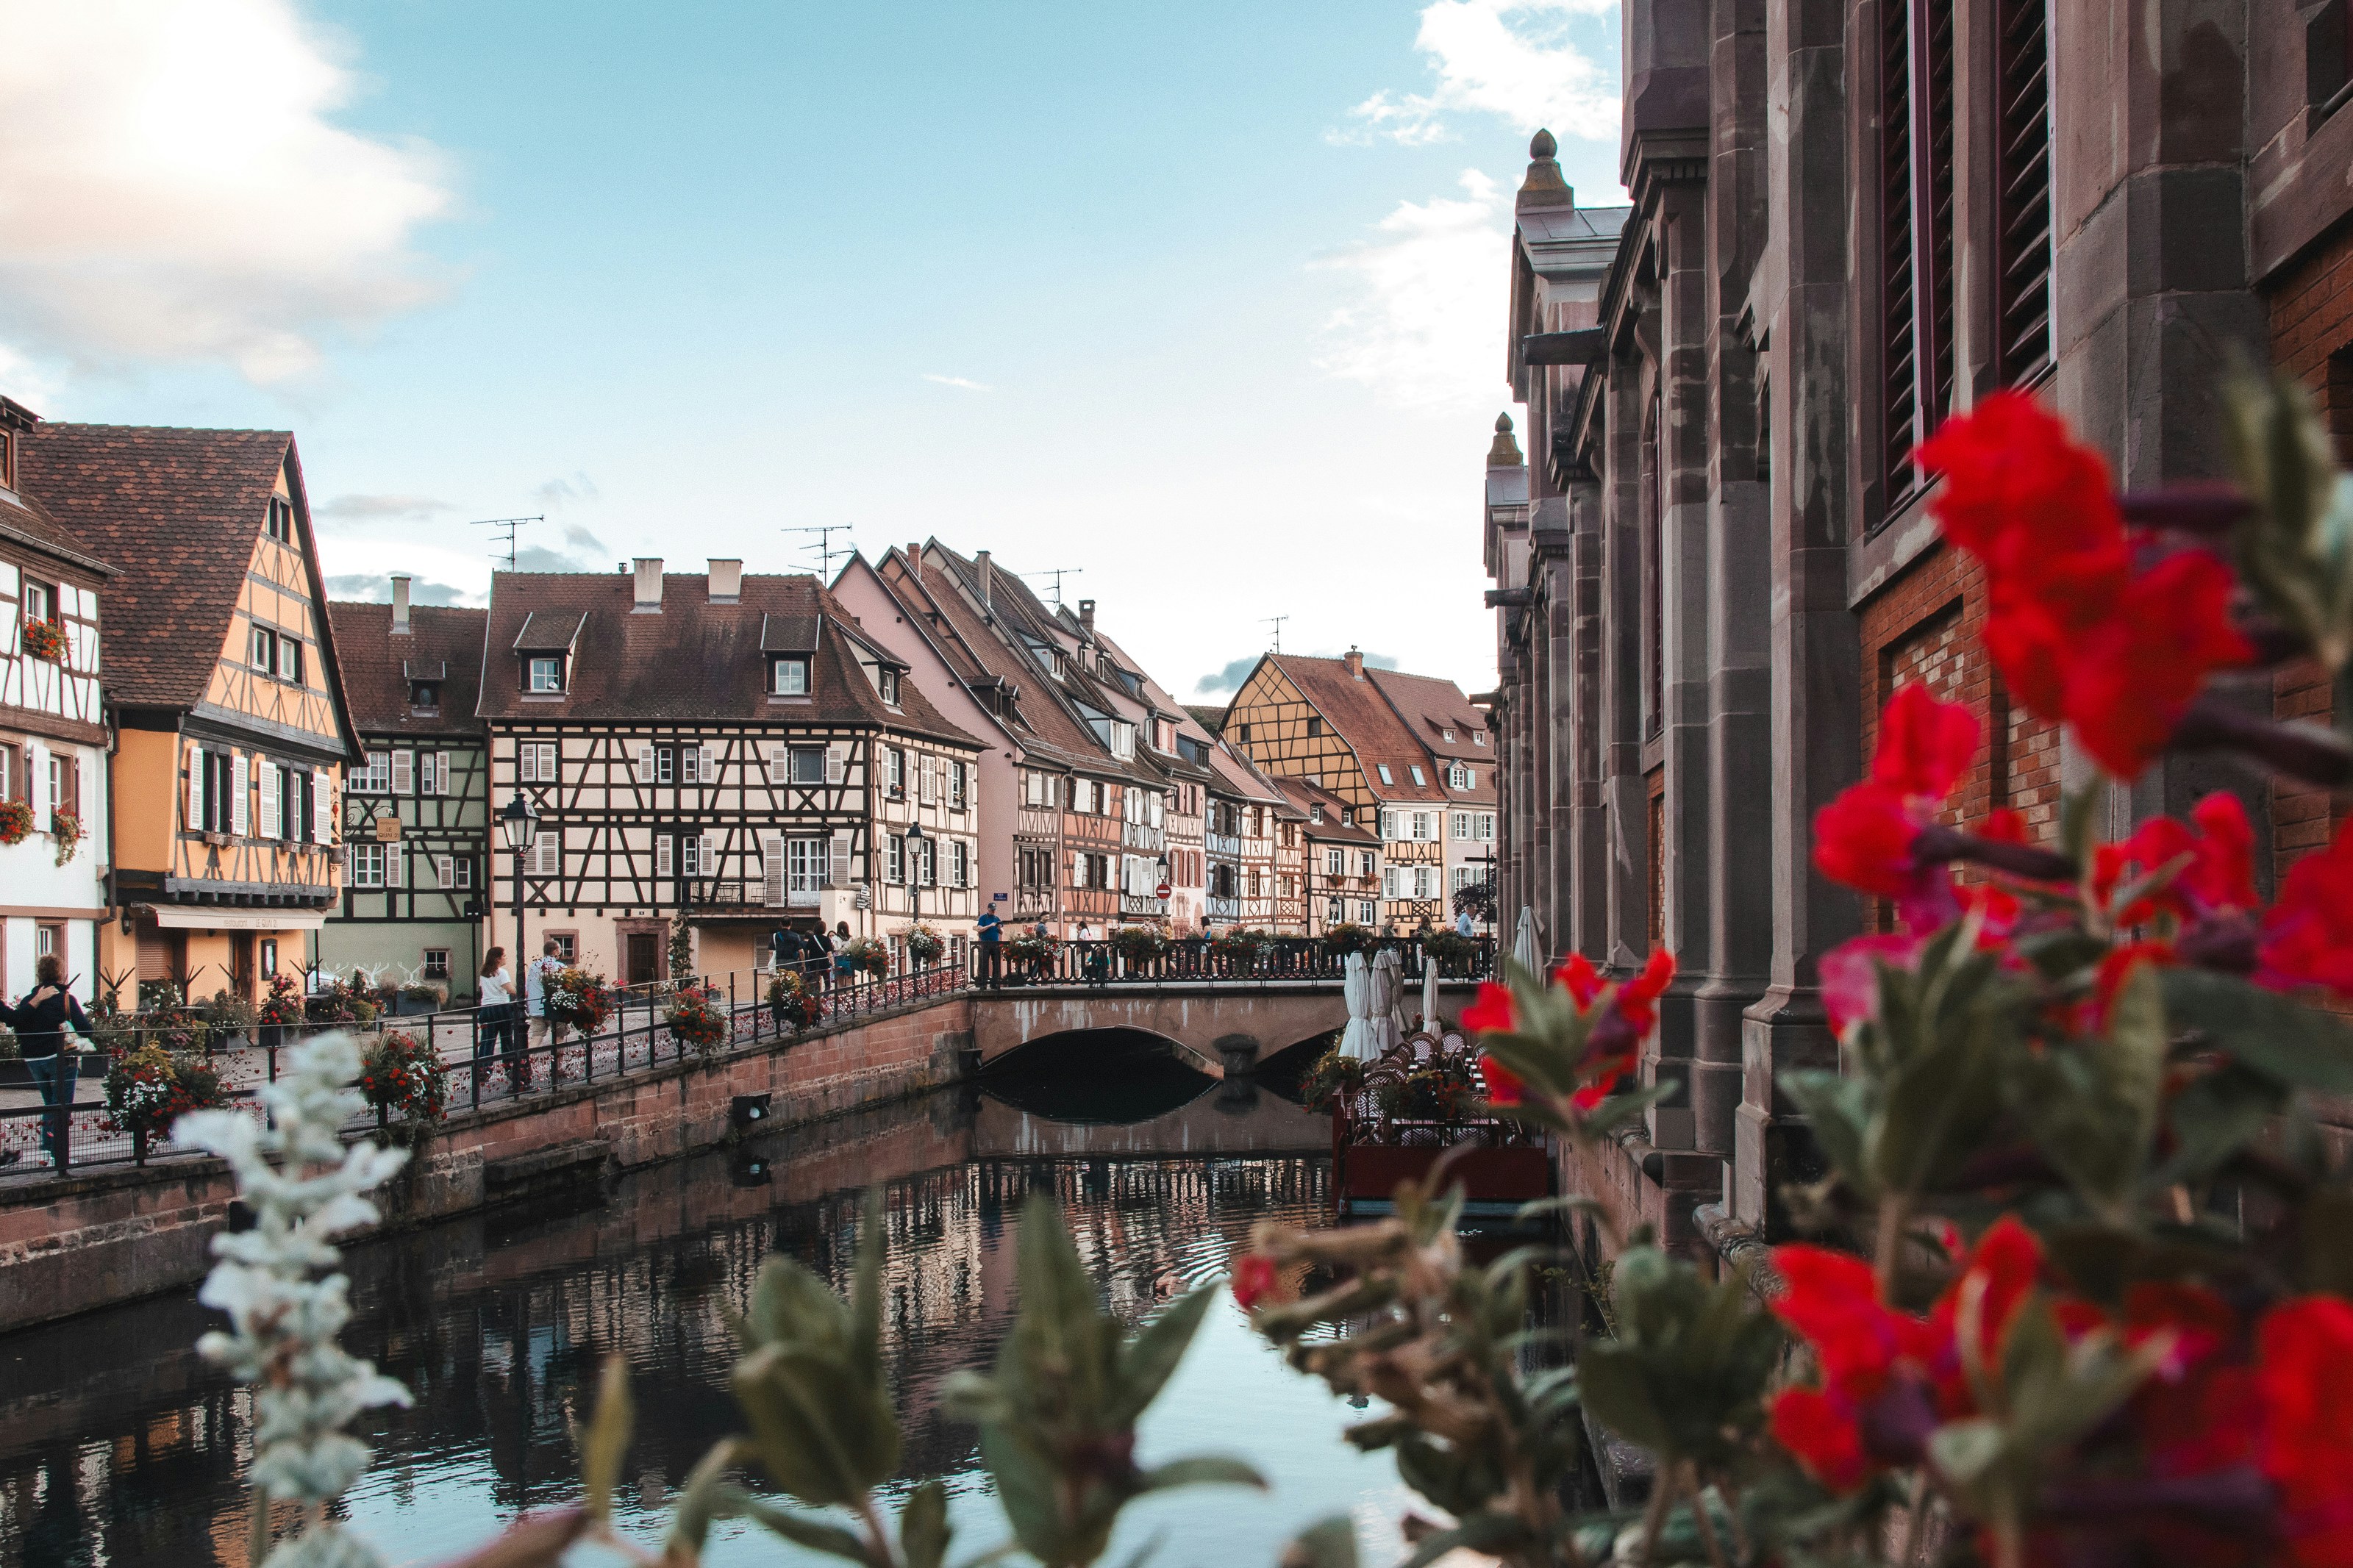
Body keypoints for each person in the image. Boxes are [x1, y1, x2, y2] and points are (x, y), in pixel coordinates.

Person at [2, 955, 94, 1168]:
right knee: (62, 1105)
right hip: (59, 1059)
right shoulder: (65, 999)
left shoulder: (28, 1000)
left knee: (50, 1103)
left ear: (40, 974)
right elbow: (86, 1029)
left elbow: (18, 1023)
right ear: (61, 974)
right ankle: (59, 1155)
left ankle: (49, 1148)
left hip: (33, 1060)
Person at [476, 947, 515, 1088]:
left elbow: (484, 990)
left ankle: (483, 1069)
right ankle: (510, 1068)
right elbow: (510, 989)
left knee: (487, 1040)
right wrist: (520, 992)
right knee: (506, 1040)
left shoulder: (484, 973)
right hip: (501, 1007)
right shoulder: (502, 973)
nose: (506, 958)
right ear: (498, 959)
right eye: (504, 956)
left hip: (486, 1008)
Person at [523, 937, 564, 1054]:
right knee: (559, 1037)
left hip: (535, 1007)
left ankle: (525, 1065)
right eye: (559, 950)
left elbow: (528, 986)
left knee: (537, 1037)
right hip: (553, 1008)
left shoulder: (534, 966)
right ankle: (557, 1068)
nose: (560, 953)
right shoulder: (559, 966)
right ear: (555, 951)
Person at [976, 906, 1003, 987]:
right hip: (985, 943)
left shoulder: (997, 918)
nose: (993, 911)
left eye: (994, 910)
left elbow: (1002, 932)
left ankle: (994, 983)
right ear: (988, 909)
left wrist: (999, 928)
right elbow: (979, 929)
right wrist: (990, 926)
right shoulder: (983, 918)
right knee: (984, 963)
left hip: (995, 943)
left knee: (996, 963)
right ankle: (983, 983)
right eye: (992, 910)